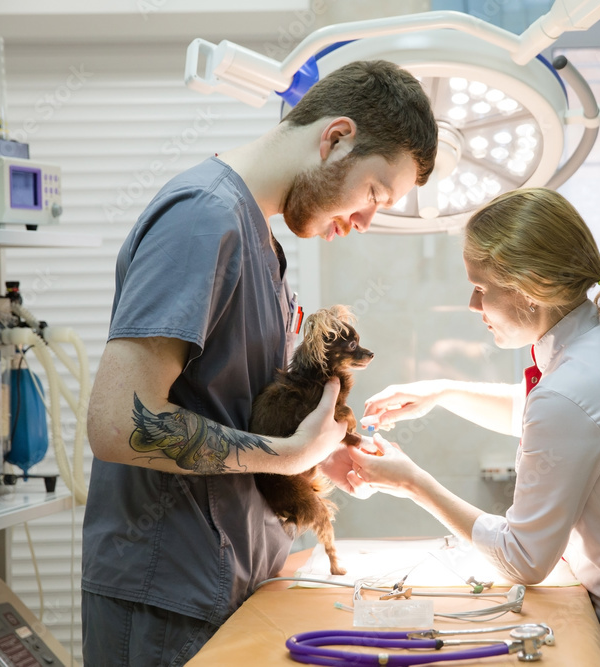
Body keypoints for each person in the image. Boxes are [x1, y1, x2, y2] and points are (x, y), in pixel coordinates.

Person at [82, 60, 437, 667]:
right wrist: (289, 454)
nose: (365, 221)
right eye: (375, 193)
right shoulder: (202, 218)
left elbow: (227, 406)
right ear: (336, 138)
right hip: (170, 597)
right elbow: (118, 422)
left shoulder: (262, 241)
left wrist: (317, 449)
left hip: (232, 580)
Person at [352, 187, 600, 667]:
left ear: (530, 287)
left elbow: (523, 558)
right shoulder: (599, 341)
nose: (473, 305)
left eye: (481, 288)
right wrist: (442, 393)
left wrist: (412, 482)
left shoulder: (573, 388)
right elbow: (545, 417)